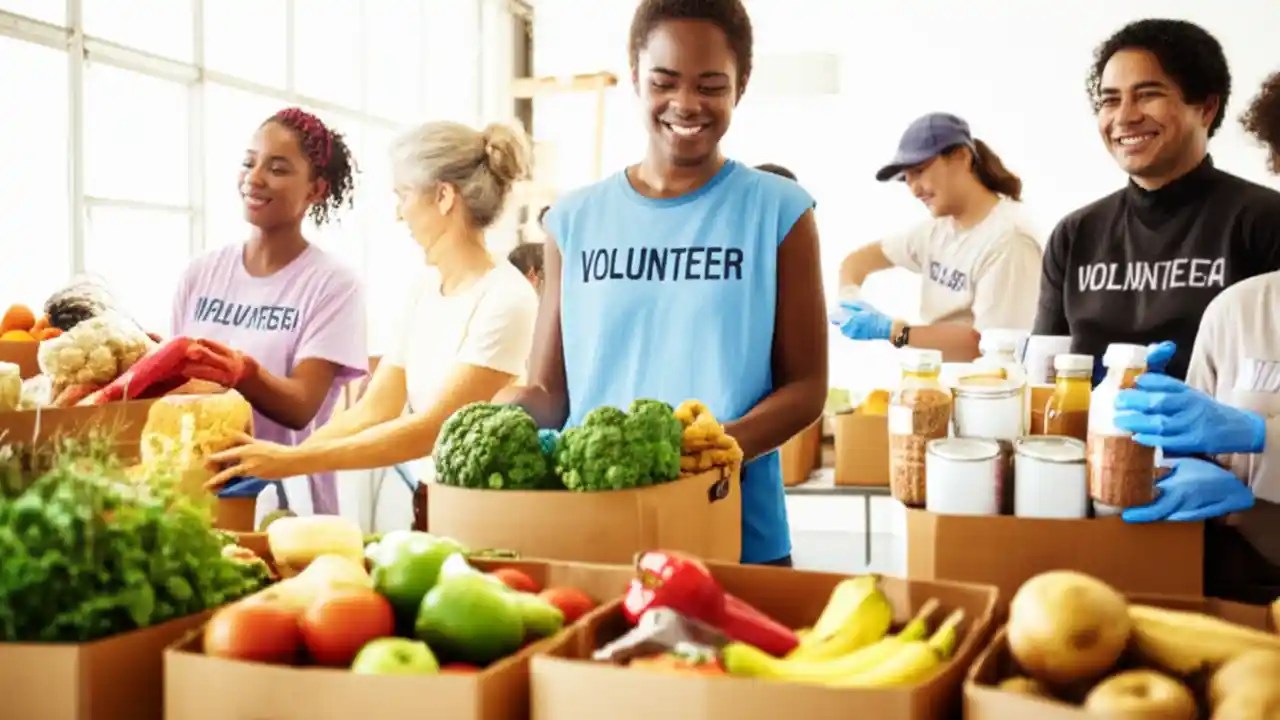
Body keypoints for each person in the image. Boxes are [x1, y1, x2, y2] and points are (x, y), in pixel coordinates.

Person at [494, 0, 827, 567]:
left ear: (740, 86)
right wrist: (502, 413)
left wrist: (705, 451)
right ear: (635, 79)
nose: (687, 104)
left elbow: (806, 387)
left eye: (711, 85)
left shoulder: (779, 212)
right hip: (598, 531)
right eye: (664, 81)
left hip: (733, 530)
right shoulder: (572, 220)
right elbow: (551, 393)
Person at [206, 120, 539, 489]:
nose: (399, 213)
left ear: (444, 197)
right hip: (433, 504)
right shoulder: (424, 289)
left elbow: (435, 427)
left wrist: (292, 461)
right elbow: (375, 410)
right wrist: (271, 469)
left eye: (404, 195)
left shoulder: (507, 299)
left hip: (490, 514)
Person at [1032, 19, 1280, 381]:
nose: (1125, 116)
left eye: (1148, 94)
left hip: (1218, 437)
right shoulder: (1076, 233)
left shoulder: (1263, 221)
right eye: (1109, 100)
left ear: (1206, 108)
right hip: (1086, 435)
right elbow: (1044, 373)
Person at [1112, 72, 1280, 603]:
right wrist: (1176, 455)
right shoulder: (1240, 310)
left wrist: (1261, 435)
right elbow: (1206, 471)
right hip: (1248, 604)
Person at [170, 107, 369, 514]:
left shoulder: (332, 284)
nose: (254, 178)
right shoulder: (200, 273)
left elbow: (300, 407)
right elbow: (173, 387)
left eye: (277, 169)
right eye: (249, 162)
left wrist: (242, 371)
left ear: (316, 189)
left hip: (284, 504)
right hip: (196, 494)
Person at [832, 113, 1041, 362]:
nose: (914, 190)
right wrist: (849, 295)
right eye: (906, 179)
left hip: (984, 391)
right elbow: (860, 260)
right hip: (939, 382)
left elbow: (988, 347)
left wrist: (894, 331)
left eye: (919, 171)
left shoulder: (1010, 240)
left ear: (962, 157)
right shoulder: (938, 229)